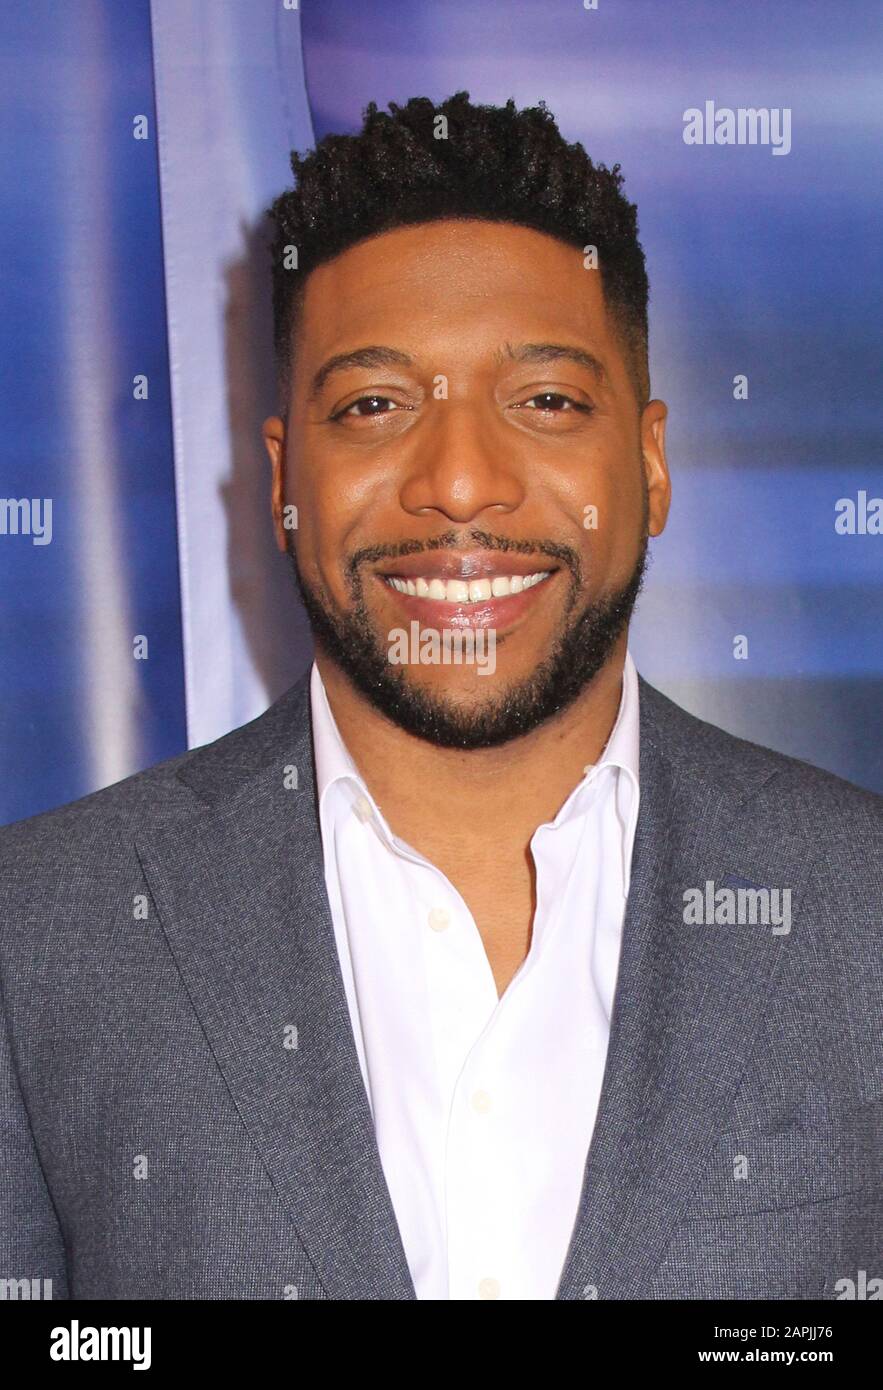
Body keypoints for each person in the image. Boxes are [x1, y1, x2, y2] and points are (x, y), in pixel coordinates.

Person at [1, 93, 880, 1301]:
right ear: (281, 481)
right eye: (374, 405)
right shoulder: (39, 935)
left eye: (546, 402)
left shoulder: (860, 910)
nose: (460, 482)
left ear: (651, 460)